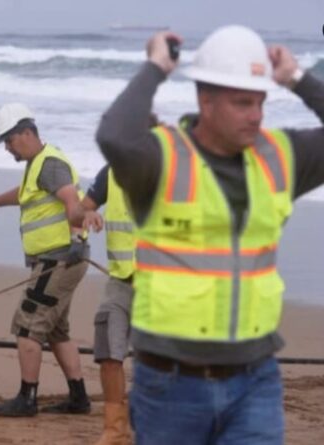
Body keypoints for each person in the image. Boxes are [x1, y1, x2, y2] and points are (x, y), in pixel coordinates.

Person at [96, 25, 324, 444]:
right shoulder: (160, 160)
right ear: (206, 100)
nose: (256, 115)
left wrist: (297, 78)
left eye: (260, 101)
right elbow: (114, 136)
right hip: (170, 386)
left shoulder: (280, 157)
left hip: (255, 380)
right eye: (242, 102)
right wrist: (156, 67)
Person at [0, 103, 91, 417]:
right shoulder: (38, 165)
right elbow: (26, 193)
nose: (7, 148)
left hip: (59, 259)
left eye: (9, 140)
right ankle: (79, 398)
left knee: (27, 324)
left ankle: (27, 399)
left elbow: (72, 201)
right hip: (59, 259)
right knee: (56, 330)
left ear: (26, 133)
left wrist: (77, 238)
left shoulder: (50, 164)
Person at [69, 164, 134, 444]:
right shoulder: (112, 172)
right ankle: (115, 432)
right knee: (108, 353)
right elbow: (75, 212)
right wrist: (86, 214)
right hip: (121, 281)